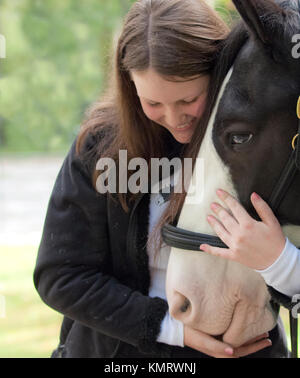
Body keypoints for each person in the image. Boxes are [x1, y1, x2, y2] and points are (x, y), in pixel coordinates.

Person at [34, 0, 297, 358]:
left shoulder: (259, 141)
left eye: (189, 98)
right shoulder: (101, 147)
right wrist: (169, 329)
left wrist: (277, 259)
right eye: (153, 103)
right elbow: (61, 275)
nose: (174, 118)